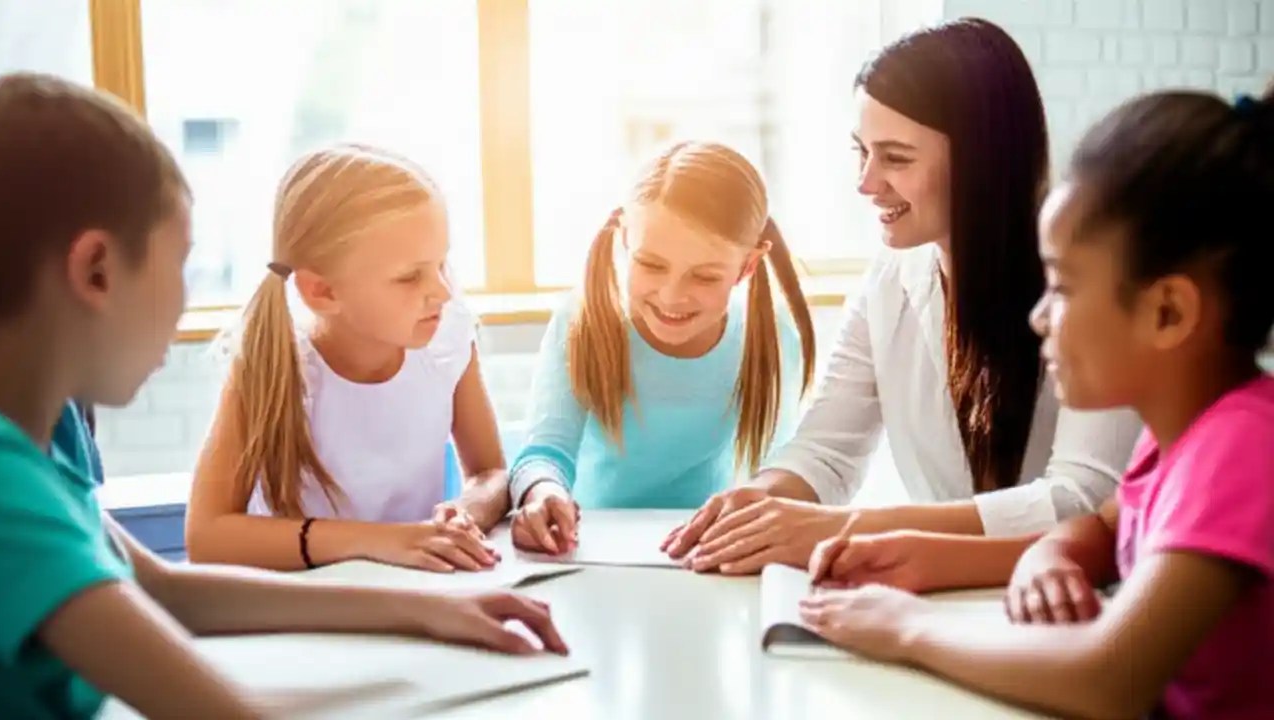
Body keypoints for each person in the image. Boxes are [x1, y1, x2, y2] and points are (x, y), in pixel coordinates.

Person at [0, 72, 566, 720]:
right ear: (96, 271)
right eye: (179, 265)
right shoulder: (2, 485)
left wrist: (425, 610)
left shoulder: (48, 435)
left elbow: (160, 588)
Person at [802, 85, 1274, 720]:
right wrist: (1039, 554)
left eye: (1063, 287)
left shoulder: (1242, 448)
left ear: (1168, 312)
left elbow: (1110, 678)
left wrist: (907, 629)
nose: (1039, 316)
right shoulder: (1182, 439)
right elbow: (1107, 527)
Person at [664, 18, 1140, 579]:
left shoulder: (1091, 286)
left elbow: (1082, 500)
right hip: (947, 597)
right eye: (861, 152)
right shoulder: (890, 279)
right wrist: (762, 503)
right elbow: (826, 450)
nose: (866, 182)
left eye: (895, 158)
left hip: (1073, 601)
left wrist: (844, 529)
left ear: (981, 158)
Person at [186, 143, 509, 573]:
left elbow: (491, 473)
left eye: (441, 265)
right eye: (410, 276)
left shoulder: (446, 340)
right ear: (322, 291)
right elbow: (206, 536)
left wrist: (467, 511)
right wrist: (377, 542)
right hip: (304, 605)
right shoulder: (275, 362)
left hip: (412, 595)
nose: (443, 292)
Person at [509, 141, 816, 555]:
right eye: (651, 265)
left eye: (705, 277)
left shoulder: (772, 337)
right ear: (623, 242)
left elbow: (779, 474)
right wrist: (541, 492)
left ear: (746, 267)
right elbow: (545, 450)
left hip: (704, 551)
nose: (672, 297)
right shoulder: (583, 320)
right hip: (587, 546)